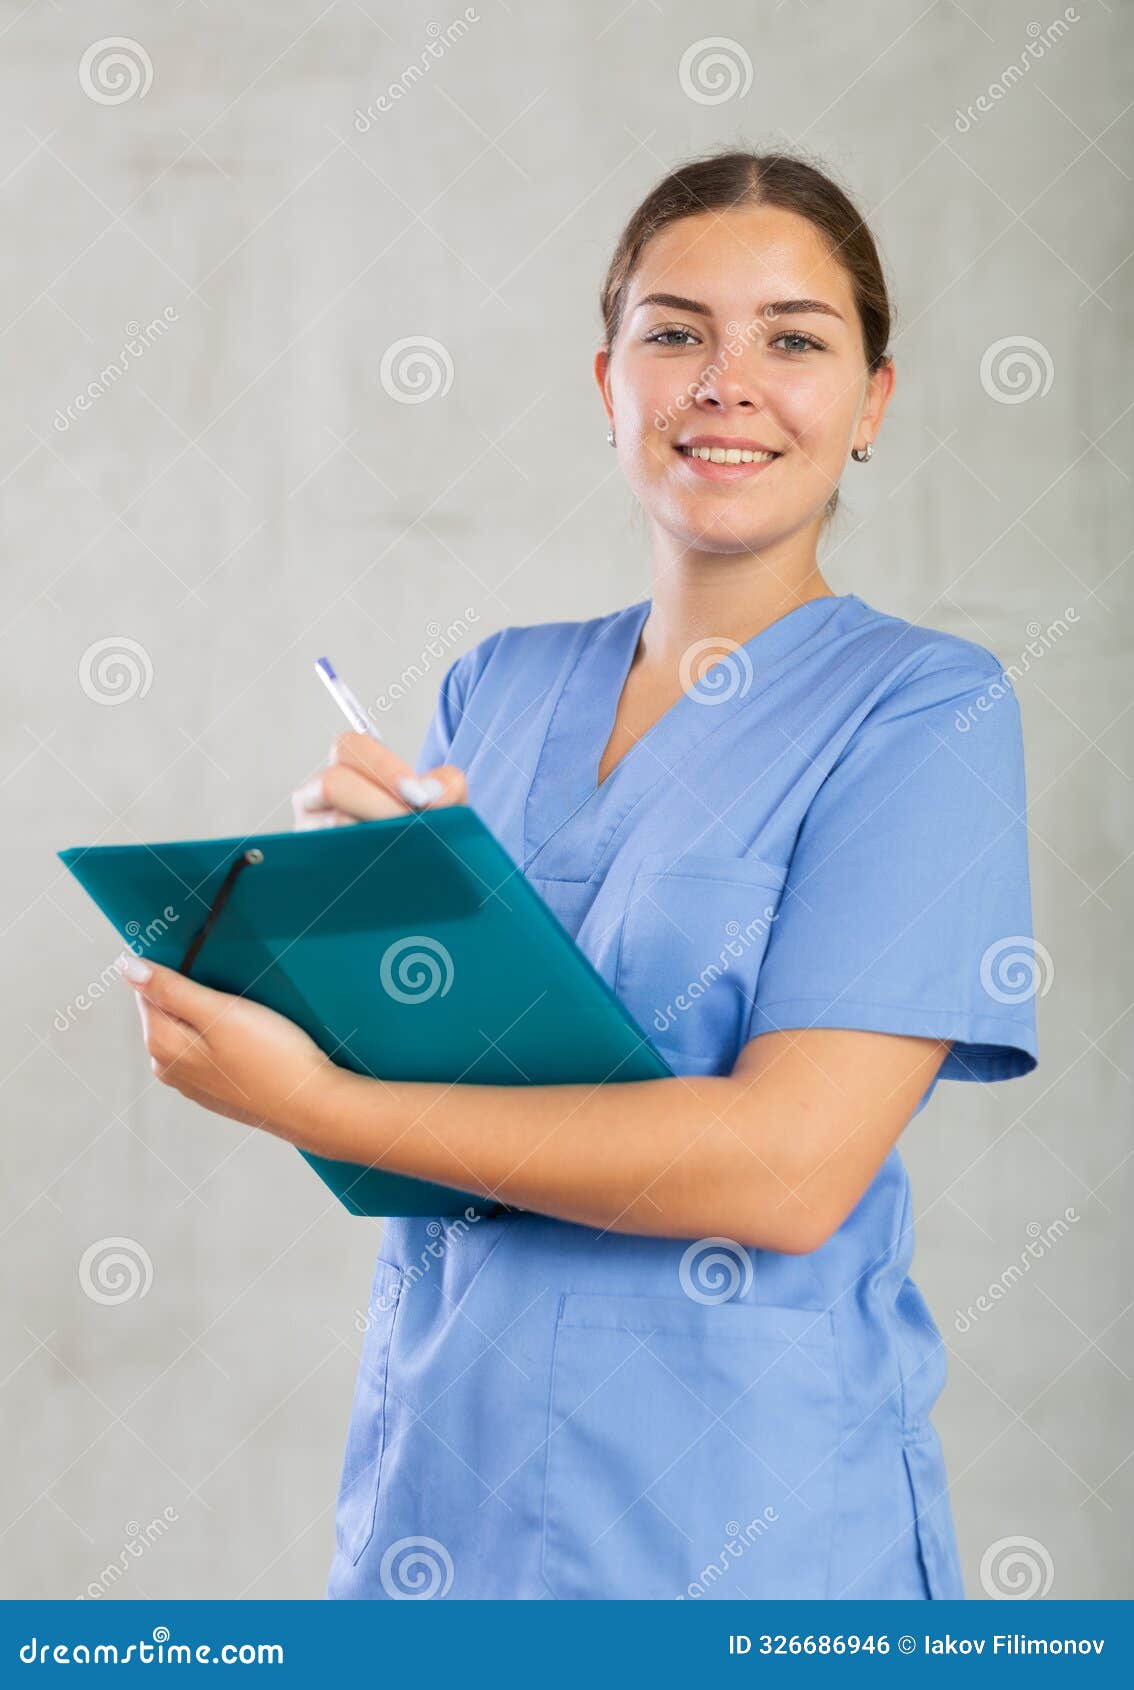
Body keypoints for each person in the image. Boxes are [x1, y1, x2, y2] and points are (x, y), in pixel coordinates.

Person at [121, 151, 1039, 1600]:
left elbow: (791, 1169)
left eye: (792, 339)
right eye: (673, 332)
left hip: (747, 1543)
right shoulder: (494, 688)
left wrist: (314, 1097)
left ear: (870, 402)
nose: (724, 381)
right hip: (445, 1504)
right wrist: (320, 945)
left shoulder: (925, 711)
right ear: (605, 381)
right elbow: (446, 1098)